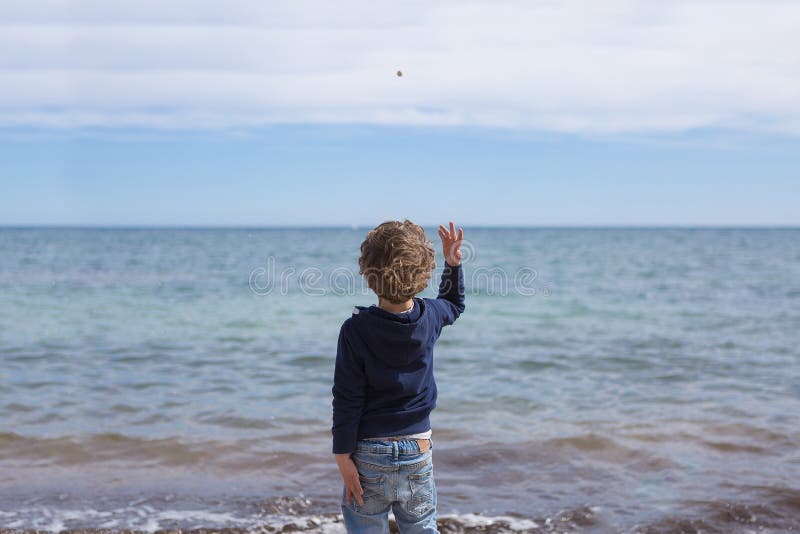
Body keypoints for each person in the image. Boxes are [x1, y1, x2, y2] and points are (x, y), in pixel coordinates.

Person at [332, 220, 465, 533]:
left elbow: (347, 397)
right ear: (423, 273)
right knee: (421, 527)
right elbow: (454, 303)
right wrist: (453, 264)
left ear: (367, 272)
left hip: (367, 455)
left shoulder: (355, 329)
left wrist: (342, 455)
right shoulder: (431, 315)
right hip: (416, 451)